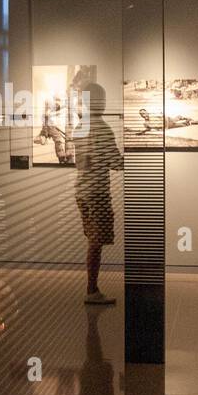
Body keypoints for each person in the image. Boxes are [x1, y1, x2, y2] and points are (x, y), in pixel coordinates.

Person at [76, 83, 123, 305]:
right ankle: (91, 289)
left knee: (93, 242)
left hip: (82, 190)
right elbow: (115, 161)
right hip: (96, 192)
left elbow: (82, 160)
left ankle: (92, 288)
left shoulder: (81, 125)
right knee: (95, 243)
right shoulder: (101, 128)